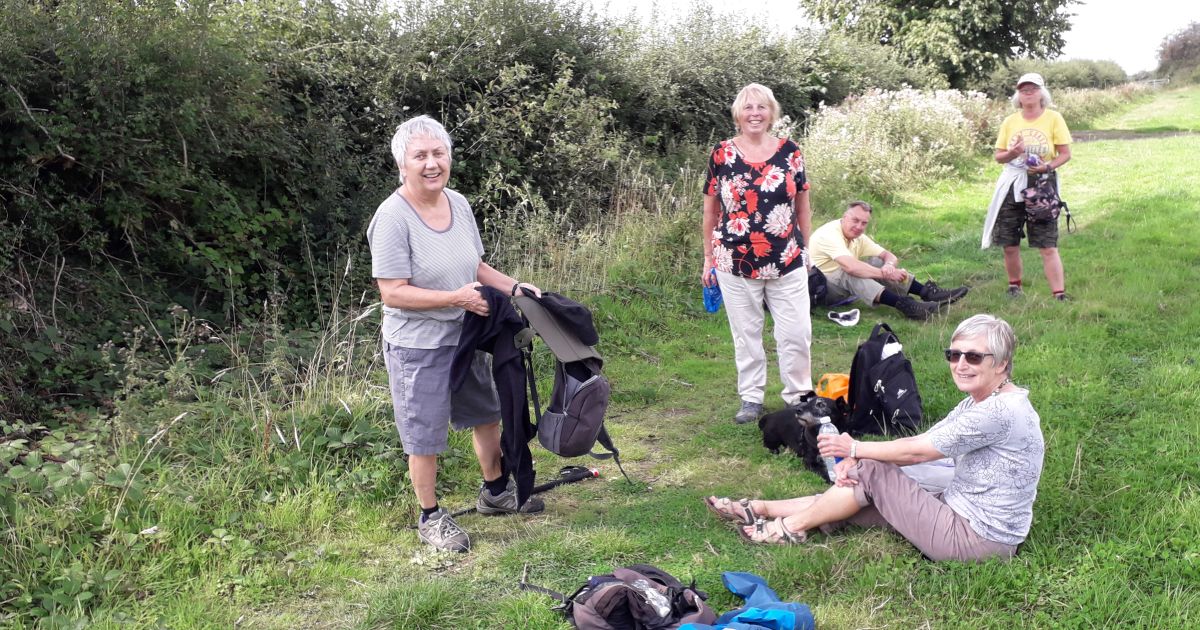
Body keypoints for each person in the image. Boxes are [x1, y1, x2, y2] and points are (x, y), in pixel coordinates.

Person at [705, 314, 1043, 562]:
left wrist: (853, 449)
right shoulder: (984, 399)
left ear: (1001, 364)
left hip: (977, 539)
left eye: (973, 356)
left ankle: (788, 527)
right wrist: (861, 458)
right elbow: (930, 439)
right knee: (859, 495)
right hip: (961, 510)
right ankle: (760, 508)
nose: (960, 364)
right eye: (954, 354)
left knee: (871, 471)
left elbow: (916, 452)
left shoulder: (998, 412)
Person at [366, 115, 544, 553]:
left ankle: (496, 492)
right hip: (416, 345)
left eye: (438, 153)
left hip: (465, 334)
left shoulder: (458, 203)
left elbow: (476, 268)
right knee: (423, 434)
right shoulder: (391, 217)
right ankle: (430, 517)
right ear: (402, 164)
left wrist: (517, 288)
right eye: (420, 156)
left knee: (486, 414)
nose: (432, 163)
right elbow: (392, 293)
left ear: (449, 157)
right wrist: (455, 299)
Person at [701, 83, 814, 425]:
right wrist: (708, 258)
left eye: (761, 107)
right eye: (748, 108)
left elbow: (803, 206)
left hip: (787, 258)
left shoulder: (790, 152)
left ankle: (798, 397)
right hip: (733, 261)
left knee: (796, 333)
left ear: (771, 113)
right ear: (738, 114)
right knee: (746, 335)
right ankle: (751, 398)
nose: (755, 114)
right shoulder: (721, 154)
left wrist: (806, 250)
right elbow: (710, 211)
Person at [983, 72, 1073, 301]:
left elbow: (1065, 154)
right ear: (1018, 95)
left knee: (1047, 243)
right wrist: (1012, 153)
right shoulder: (1010, 121)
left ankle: (1059, 294)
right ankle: (1014, 286)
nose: (1028, 92)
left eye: (1033, 88)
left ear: (1042, 92)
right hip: (1012, 184)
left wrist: (1046, 167)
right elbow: (998, 156)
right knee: (1009, 241)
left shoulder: (1054, 118)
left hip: (1042, 185)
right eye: (1024, 89)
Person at [808, 201, 968, 320]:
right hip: (821, 290)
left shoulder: (857, 236)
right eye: (855, 220)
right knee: (851, 272)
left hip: (839, 285)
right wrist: (885, 274)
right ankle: (907, 306)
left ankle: (927, 293)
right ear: (844, 217)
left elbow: (888, 256)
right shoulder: (828, 234)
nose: (859, 226)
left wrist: (889, 267)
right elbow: (850, 267)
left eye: (864, 223)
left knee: (878, 262)